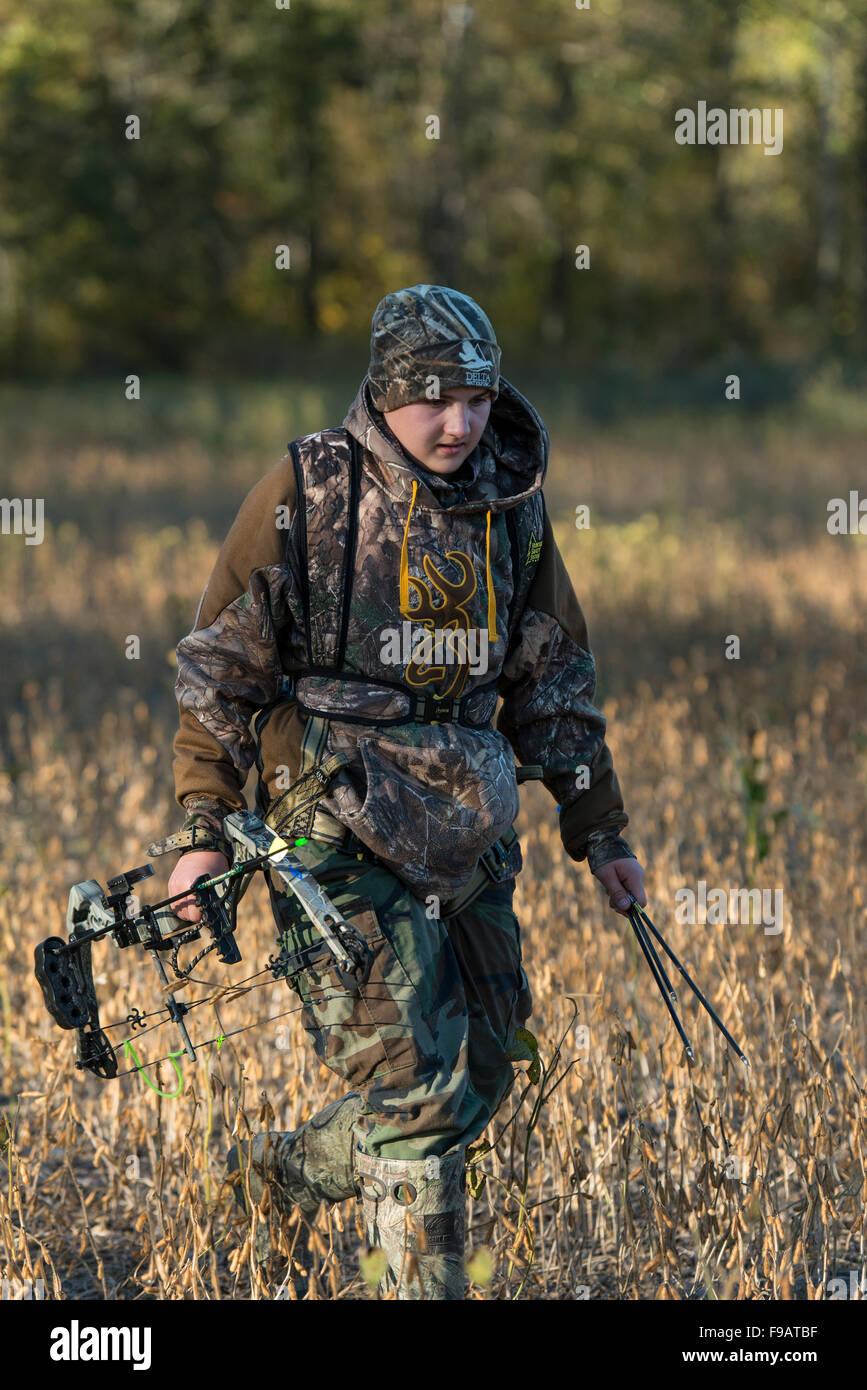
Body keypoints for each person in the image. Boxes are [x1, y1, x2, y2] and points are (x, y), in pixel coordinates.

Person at [165, 284, 646, 1299]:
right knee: (412, 1091)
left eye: (477, 396)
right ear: (385, 393)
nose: (461, 422)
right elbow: (221, 670)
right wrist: (204, 828)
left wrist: (600, 827)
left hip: (469, 822)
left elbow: (552, 675)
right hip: (328, 824)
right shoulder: (306, 489)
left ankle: (281, 1175)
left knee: (488, 1063)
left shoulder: (512, 500)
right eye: (435, 399)